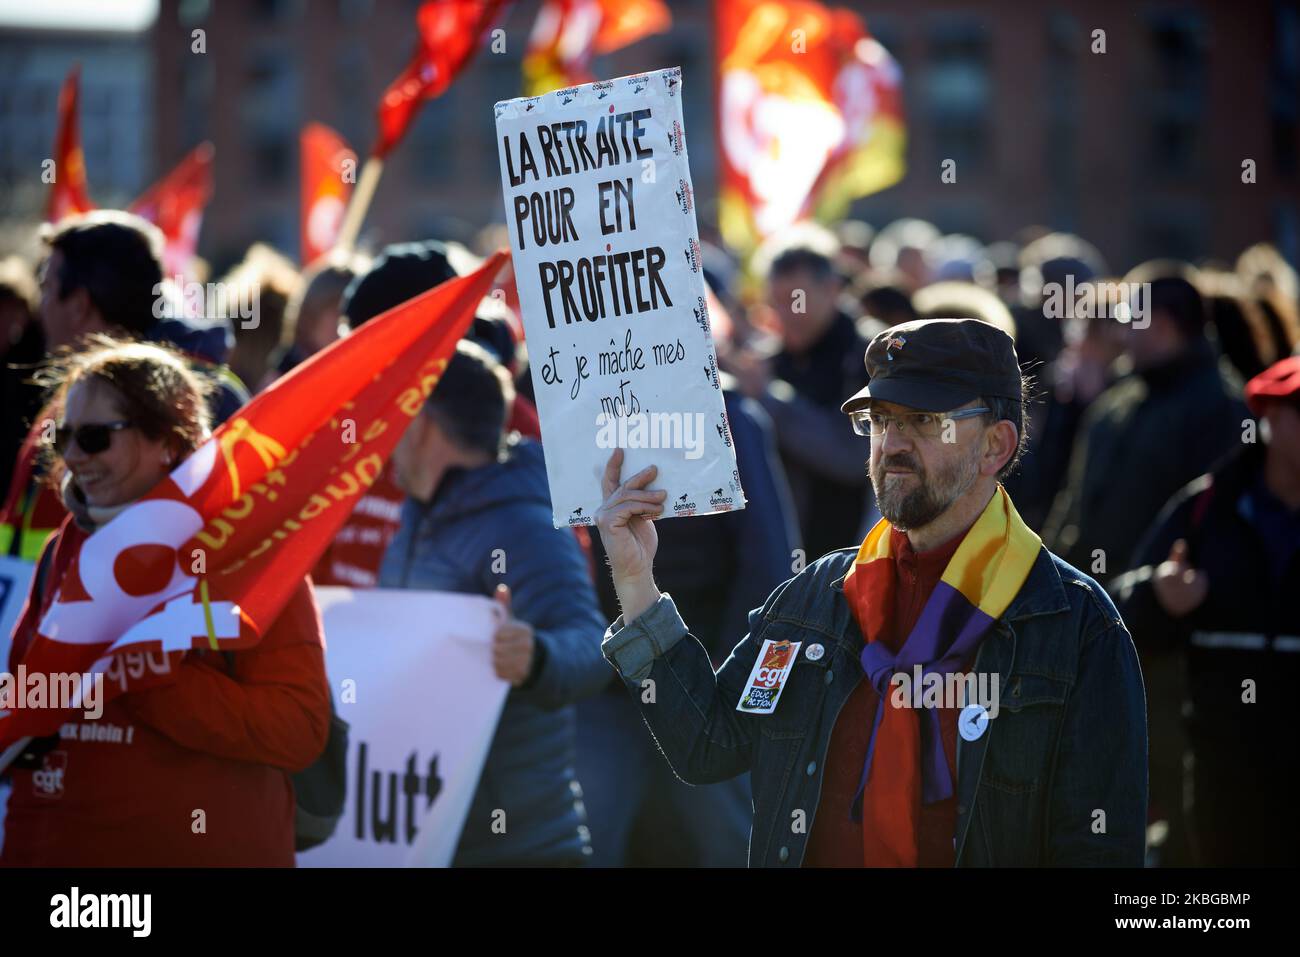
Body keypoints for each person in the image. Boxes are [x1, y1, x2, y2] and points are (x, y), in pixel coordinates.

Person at [595, 317, 1148, 867]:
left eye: (924, 421)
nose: (893, 444)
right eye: (880, 420)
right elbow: (708, 745)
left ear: (995, 446)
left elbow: (1099, 851)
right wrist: (636, 582)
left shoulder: (1074, 624)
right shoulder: (820, 594)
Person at [1, 337, 330, 866]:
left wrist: (149, 676)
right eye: (63, 436)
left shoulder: (249, 545)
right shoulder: (70, 544)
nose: (74, 457)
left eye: (94, 437)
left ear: (169, 443)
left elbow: (298, 728)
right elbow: (26, 700)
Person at [378, 339, 609, 866]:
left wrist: (537, 657)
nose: (387, 436)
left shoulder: (524, 525)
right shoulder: (418, 516)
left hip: (519, 844)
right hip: (432, 833)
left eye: (399, 416)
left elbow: (593, 647)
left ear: (424, 425)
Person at [1110, 355, 1300, 866]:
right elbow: (1121, 616)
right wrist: (1162, 597)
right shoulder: (1206, 507)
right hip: (1220, 767)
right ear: (1272, 419)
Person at [1, 211, 249, 562]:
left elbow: (234, 533)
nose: (39, 308)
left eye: (46, 289)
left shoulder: (205, 398)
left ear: (80, 305)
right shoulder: (76, 395)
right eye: (65, 438)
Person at [728, 226, 872, 563]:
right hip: (786, 559)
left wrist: (769, 399)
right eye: (777, 301)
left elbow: (857, 458)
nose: (786, 314)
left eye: (797, 300)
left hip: (853, 556)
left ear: (833, 289)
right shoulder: (769, 361)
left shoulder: (868, 357)